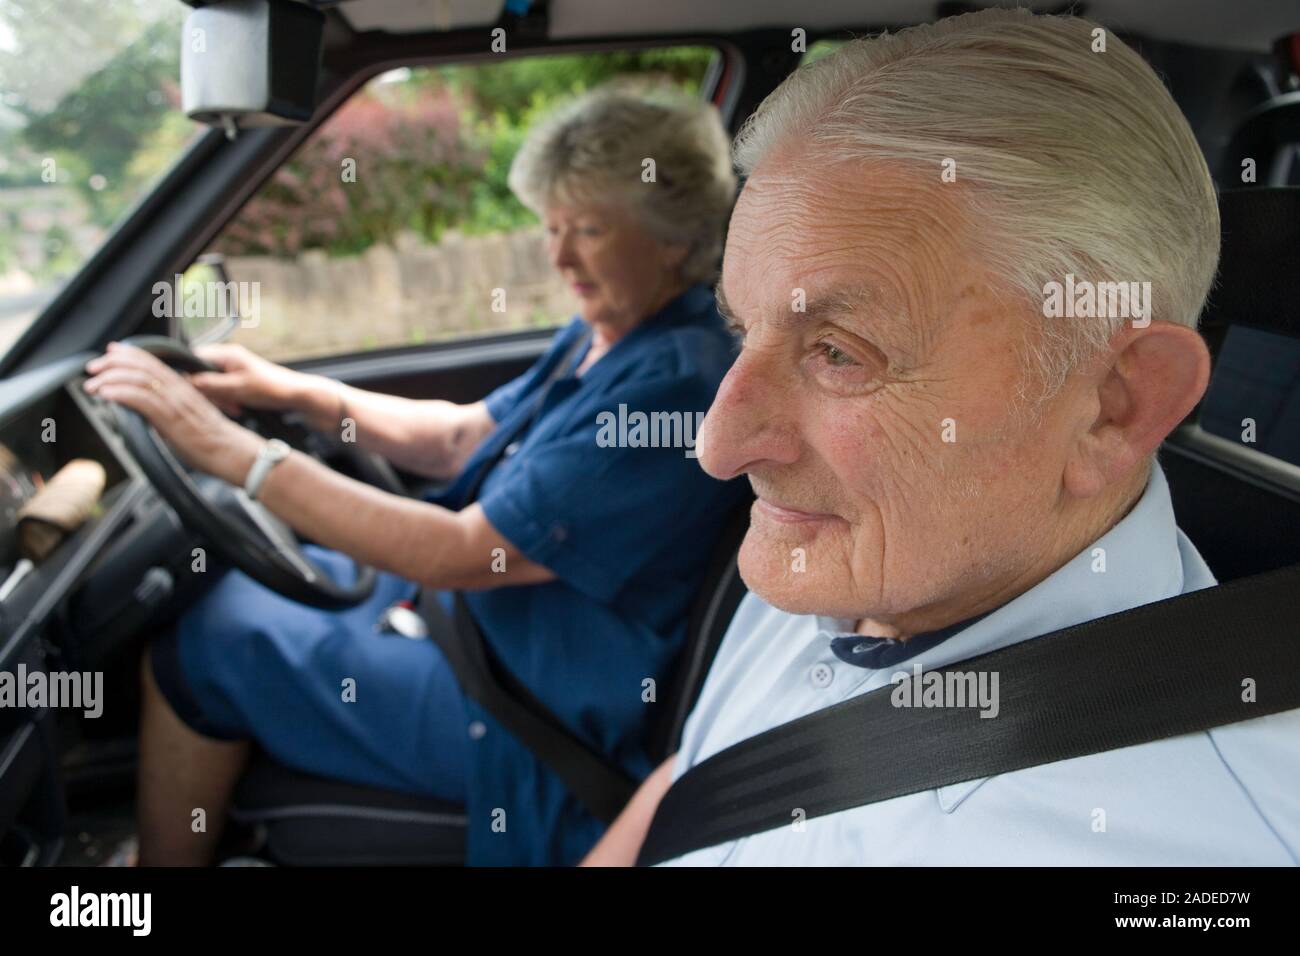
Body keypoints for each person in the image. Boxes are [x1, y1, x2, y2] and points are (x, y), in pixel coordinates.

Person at [582, 9, 1300, 866]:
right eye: (743, 330)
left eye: (840, 354)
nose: (720, 446)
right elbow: (692, 784)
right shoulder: (837, 561)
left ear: (1114, 404)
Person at [84, 88, 746, 866]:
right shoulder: (608, 330)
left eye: (590, 230)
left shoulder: (674, 381)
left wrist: (229, 450)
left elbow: (461, 550)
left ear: (674, 240)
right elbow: (461, 436)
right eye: (552, 226)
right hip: (466, 629)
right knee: (228, 588)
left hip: (525, 710)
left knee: (206, 641)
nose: (558, 256)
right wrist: (287, 389)